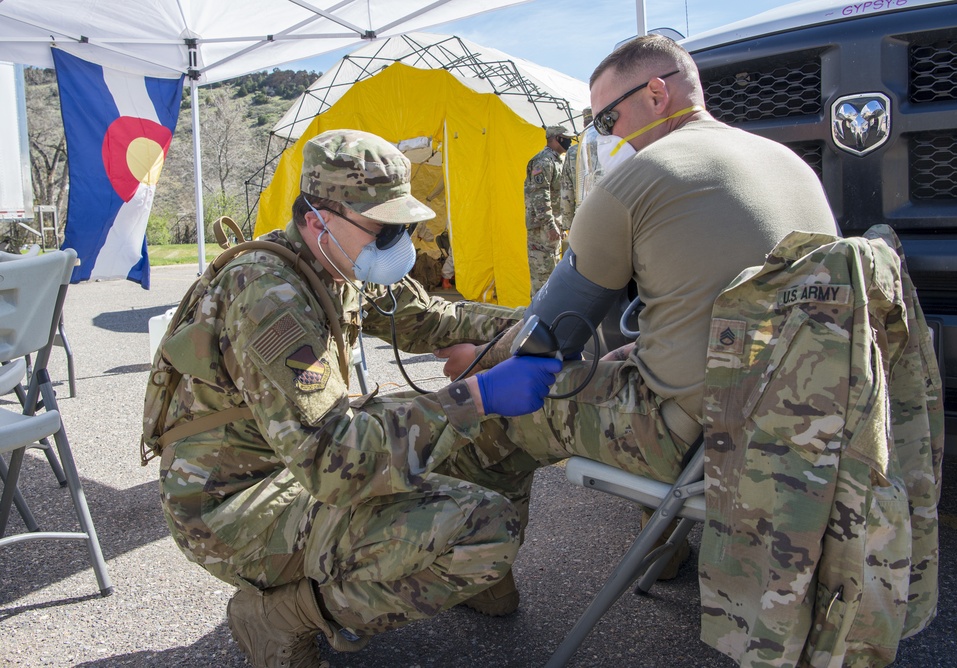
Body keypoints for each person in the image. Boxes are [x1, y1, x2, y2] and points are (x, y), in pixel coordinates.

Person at [144, 129, 561, 668]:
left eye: (404, 226)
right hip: (235, 504)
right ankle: (280, 615)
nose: (398, 243)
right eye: (383, 229)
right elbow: (333, 462)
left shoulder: (342, 258)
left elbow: (436, 319)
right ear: (318, 217)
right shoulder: (269, 297)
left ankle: (456, 574)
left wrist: (537, 325)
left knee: (502, 431)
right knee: (483, 526)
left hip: (291, 460)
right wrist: (471, 398)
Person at [436, 35, 840, 589]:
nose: (610, 136)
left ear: (656, 93)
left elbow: (548, 334)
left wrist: (479, 363)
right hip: (800, 423)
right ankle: (661, 554)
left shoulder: (633, 183)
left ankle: (477, 584)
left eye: (609, 117)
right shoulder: (787, 164)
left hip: (703, 437)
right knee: (632, 366)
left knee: (497, 417)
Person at [524, 125, 573, 295]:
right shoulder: (544, 161)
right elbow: (539, 195)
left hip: (552, 227)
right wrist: (549, 225)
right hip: (542, 229)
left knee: (552, 273)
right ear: (556, 139)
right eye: (565, 138)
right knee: (542, 276)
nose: (568, 141)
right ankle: (537, 316)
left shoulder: (556, 160)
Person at [559, 107, 592, 233]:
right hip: (608, 215)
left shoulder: (574, 152)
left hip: (581, 217)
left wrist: (568, 224)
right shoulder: (611, 146)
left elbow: (566, 191)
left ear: (584, 124)